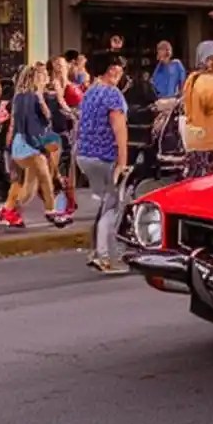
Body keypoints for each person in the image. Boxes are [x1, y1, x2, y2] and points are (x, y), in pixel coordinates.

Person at [76, 53, 130, 274]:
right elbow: (120, 130)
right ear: (111, 70)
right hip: (104, 157)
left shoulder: (89, 92)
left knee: (104, 203)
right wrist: (123, 162)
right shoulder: (113, 95)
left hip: (85, 156)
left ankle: (95, 251)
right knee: (113, 205)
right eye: (118, 68)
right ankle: (105, 256)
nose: (120, 72)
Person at [0, 64, 68, 229]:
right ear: (35, 77)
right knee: (44, 177)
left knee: (30, 185)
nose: (46, 78)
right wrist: (40, 144)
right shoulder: (31, 97)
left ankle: (9, 210)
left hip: (21, 144)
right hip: (29, 144)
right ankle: (51, 211)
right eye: (43, 75)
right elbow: (35, 124)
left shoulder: (20, 97)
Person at [181, 40, 213, 178]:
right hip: (208, 144)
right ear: (211, 60)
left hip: (192, 142)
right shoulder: (209, 82)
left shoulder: (191, 79)